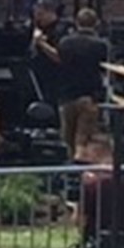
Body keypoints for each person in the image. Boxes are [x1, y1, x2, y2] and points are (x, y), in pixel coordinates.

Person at [47, 8, 109, 160]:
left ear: (76, 23)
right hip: (89, 98)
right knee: (83, 140)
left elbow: (58, 58)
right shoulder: (101, 45)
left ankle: (68, 173)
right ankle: (80, 175)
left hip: (66, 97)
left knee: (67, 139)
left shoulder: (65, 42)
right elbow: (105, 69)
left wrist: (42, 44)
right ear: (96, 24)